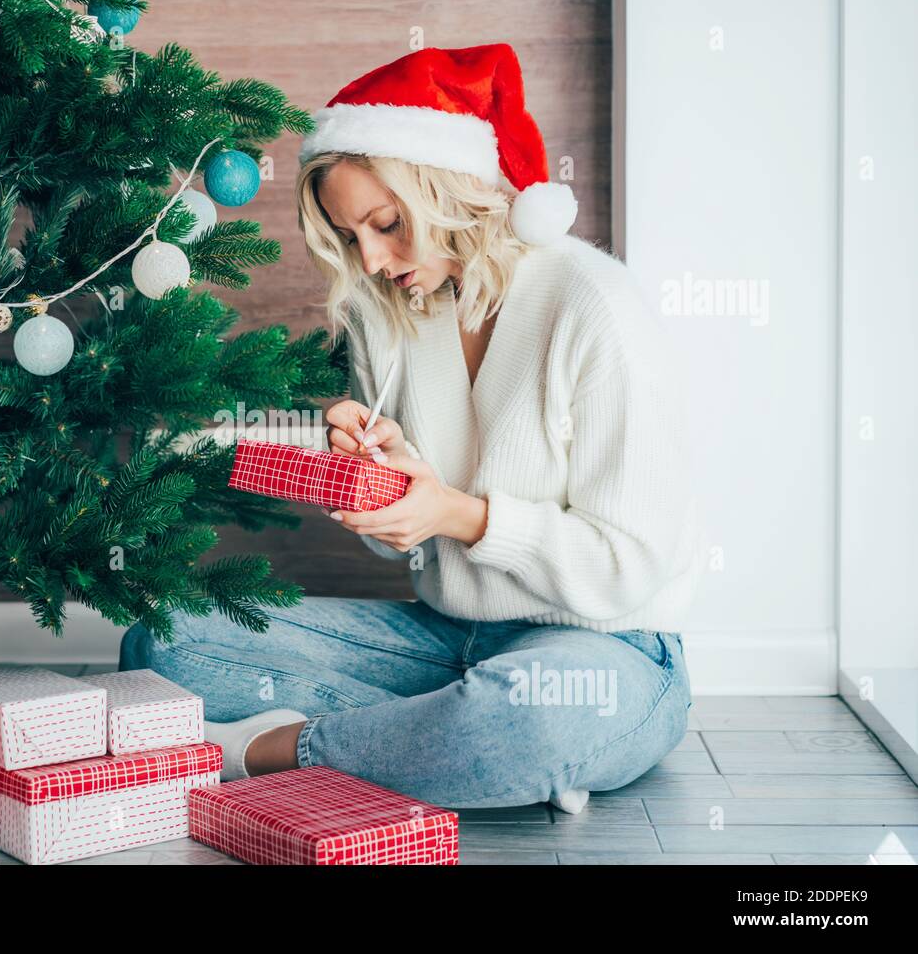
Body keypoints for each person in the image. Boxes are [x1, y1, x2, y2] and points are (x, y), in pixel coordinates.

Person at [119, 43, 704, 814]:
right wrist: (387, 490)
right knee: (162, 646)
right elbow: (407, 543)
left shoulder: (593, 304)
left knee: (525, 722)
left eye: (387, 224)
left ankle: (272, 752)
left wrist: (457, 514)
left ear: (449, 190)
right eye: (349, 236)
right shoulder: (386, 313)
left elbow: (630, 566)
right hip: (446, 640)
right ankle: (431, 747)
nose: (370, 259)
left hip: (607, 652)